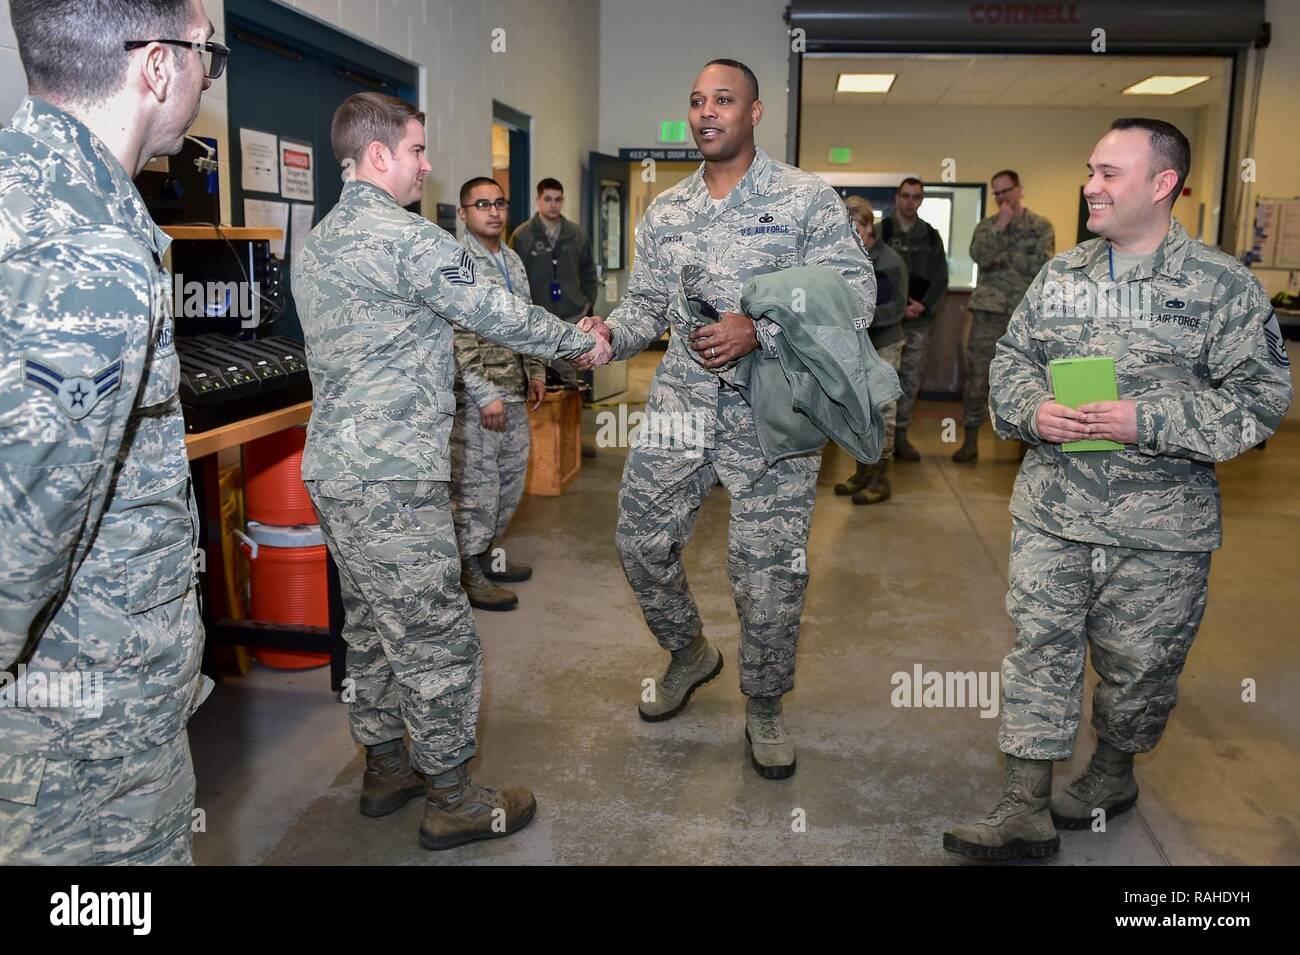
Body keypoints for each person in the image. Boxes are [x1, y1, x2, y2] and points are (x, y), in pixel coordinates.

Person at [943, 118, 1293, 861]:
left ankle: (1111, 772)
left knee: (1140, 669)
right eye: (1090, 172)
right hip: (1054, 509)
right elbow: (1011, 360)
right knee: (1039, 651)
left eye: (1109, 174)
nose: (1090, 186)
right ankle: (1023, 805)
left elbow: (1260, 403)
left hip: (1161, 528)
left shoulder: (1220, 286)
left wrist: (1149, 418)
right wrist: (1030, 409)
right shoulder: (1062, 274)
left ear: (1162, 184)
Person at [292, 92, 610, 850]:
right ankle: (452, 794)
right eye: (416, 151)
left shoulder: (317, 243)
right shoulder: (406, 239)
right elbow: (495, 309)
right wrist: (576, 343)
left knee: (371, 627)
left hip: (334, 470)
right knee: (438, 637)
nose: (426, 165)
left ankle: (385, 767)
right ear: (378, 157)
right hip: (394, 476)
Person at [581, 59, 874, 780]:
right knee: (640, 542)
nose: (706, 112)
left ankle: (766, 703)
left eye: (723, 100)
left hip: (774, 411)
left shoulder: (805, 199)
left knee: (768, 574)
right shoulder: (669, 210)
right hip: (682, 402)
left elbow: (855, 295)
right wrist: (608, 336)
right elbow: (647, 303)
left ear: (755, 112)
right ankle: (690, 652)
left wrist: (762, 327)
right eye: (695, 101)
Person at [0, 0, 222, 864]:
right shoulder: (88, 255)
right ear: (158, 67)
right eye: (211, 55)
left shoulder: (25, 193)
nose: (209, 76)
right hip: (78, 753)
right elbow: (18, 550)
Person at [451, 176, 548, 612]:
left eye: (499, 203)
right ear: (463, 213)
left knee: (510, 481)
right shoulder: (457, 263)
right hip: (479, 399)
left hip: (513, 391)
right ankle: (468, 569)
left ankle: (490, 553)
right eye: (482, 204)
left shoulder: (511, 258)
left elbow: (527, 320)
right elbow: (457, 332)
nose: (493, 211)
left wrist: (537, 370)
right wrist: (483, 392)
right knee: (477, 487)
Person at [954, 170, 1054, 463]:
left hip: (1025, 316)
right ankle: (970, 440)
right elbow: (980, 256)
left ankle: (1026, 445)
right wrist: (1001, 227)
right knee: (978, 377)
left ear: (1020, 189)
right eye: (995, 193)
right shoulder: (988, 226)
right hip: (988, 313)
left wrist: (1003, 257)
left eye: (1005, 191)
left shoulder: (1040, 226)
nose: (1001, 198)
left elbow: (1042, 264)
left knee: (1031, 378)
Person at [834, 196, 908, 504]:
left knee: (883, 411)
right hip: (855, 347)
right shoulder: (844, 259)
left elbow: (895, 308)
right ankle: (862, 473)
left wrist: (858, 316)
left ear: (868, 226)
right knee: (859, 411)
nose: (850, 235)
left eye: (855, 228)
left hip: (884, 344)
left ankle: (881, 479)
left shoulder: (889, 261)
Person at [509, 177, 600, 391]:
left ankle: (569, 420)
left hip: (572, 316)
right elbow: (512, 276)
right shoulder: (522, 236)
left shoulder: (575, 234)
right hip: (537, 316)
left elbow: (589, 271)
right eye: (547, 199)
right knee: (537, 376)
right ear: (537, 200)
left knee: (569, 376)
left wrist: (587, 302)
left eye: (558, 200)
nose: (553, 204)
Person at [883, 178, 948, 462]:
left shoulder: (930, 235)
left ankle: (900, 436)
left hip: (918, 321)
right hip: (886, 323)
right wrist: (896, 308)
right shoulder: (881, 231)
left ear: (921, 200)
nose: (910, 202)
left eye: (916, 197)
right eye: (906, 196)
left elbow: (940, 277)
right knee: (884, 379)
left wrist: (923, 305)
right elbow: (872, 273)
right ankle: (879, 438)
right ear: (897, 198)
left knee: (909, 379)